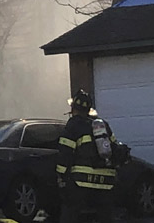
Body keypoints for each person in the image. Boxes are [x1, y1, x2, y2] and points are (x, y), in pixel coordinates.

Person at [57, 89, 117, 223]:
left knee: (70, 214)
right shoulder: (102, 125)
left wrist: (61, 176)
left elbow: (65, 153)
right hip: (106, 182)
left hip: (81, 181)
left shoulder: (74, 125)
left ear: (74, 108)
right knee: (104, 217)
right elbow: (114, 148)